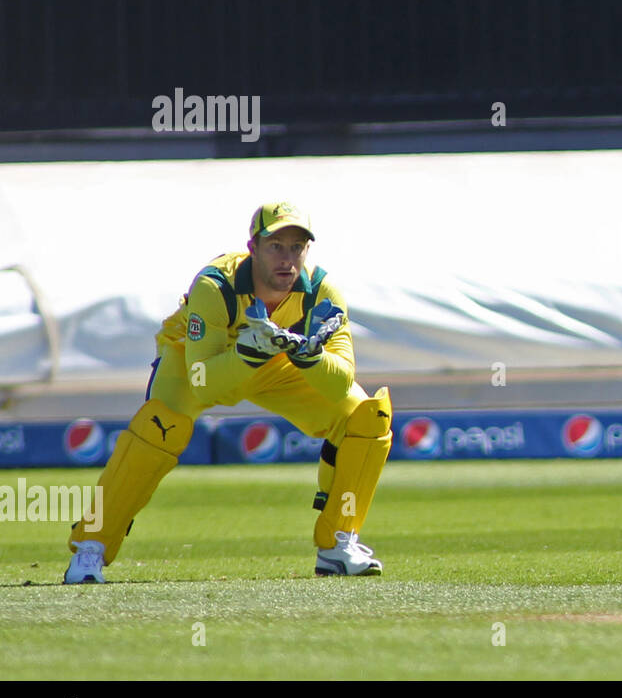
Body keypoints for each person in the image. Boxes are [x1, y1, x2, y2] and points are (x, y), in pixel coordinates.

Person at [64, 201, 393, 583]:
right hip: (198, 360)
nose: (287, 259)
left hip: (280, 365)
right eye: (275, 247)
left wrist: (308, 354)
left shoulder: (322, 291)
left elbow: (339, 382)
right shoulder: (214, 285)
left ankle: (338, 543)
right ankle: (91, 547)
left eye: (297, 247)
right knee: (158, 426)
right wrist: (249, 351)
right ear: (252, 248)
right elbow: (205, 382)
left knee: (368, 417)